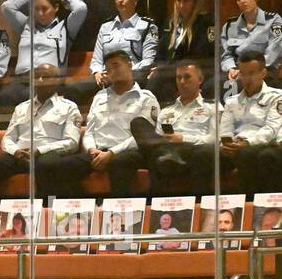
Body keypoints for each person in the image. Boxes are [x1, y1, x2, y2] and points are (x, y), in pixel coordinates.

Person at [35, 49, 156, 200]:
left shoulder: (146, 98)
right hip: (97, 152)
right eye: (108, 69)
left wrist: (111, 153)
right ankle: (79, 208)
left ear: (130, 65)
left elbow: (143, 136)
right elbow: (89, 131)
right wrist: (92, 150)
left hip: (128, 152)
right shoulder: (100, 97)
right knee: (60, 166)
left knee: (119, 162)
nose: (112, 71)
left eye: (116, 65)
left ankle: (119, 211)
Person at [0, 64, 81, 201]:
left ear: (57, 81)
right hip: (20, 155)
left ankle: (48, 208)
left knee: (47, 165)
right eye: (37, 77)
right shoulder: (21, 108)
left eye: (45, 77)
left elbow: (72, 142)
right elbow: (8, 138)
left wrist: (39, 150)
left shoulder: (68, 107)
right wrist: (15, 151)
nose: (40, 80)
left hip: (47, 154)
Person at [63, 0, 158, 107]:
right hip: (105, 78)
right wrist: (97, 73)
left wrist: (119, 74)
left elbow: (147, 62)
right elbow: (96, 60)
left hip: (132, 78)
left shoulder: (147, 27)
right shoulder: (106, 27)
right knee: (72, 89)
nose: (120, 0)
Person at [131, 59, 217, 197]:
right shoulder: (166, 110)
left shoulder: (212, 107)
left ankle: (171, 158)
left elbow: (214, 139)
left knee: (202, 153)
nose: (182, 81)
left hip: (193, 151)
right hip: (165, 150)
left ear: (200, 79)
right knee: (138, 123)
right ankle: (169, 158)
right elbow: (156, 140)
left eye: (187, 77)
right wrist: (167, 142)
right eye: (179, 78)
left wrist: (183, 138)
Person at [0, 0, 88, 107]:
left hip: (48, 80)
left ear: (56, 8)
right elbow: (6, 7)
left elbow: (81, 8)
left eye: (45, 9)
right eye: (36, 9)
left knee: (26, 96)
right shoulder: (26, 25)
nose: (40, 13)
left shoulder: (65, 28)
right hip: (23, 79)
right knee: (5, 96)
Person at [217, 50, 282, 197]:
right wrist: (227, 144)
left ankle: (249, 202)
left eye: (251, 73)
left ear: (263, 73)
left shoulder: (277, 97)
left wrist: (246, 143)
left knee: (251, 154)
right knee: (205, 154)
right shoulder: (232, 101)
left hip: (262, 145)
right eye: (243, 73)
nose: (247, 78)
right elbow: (225, 130)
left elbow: (271, 129)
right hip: (235, 145)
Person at [147, 0, 215, 102]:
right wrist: (157, 67)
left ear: (195, 2)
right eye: (178, 0)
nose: (181, 5)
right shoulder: (171, 24)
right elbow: (160, 53)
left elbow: (200, 56)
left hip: (192, 72)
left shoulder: (205, 22)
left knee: (158, 80)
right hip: (168, 73)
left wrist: (165, 69)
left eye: (186, 1)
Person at [219, 0, 282, 95]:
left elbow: (272, 54)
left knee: (239, 85)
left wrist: (246, 71)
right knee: (213, 84)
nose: (242, 1)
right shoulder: (230, 26)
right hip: (237, 71)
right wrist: (231, 68)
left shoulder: (273, 21)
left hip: (264, 71)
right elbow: (226, 55)